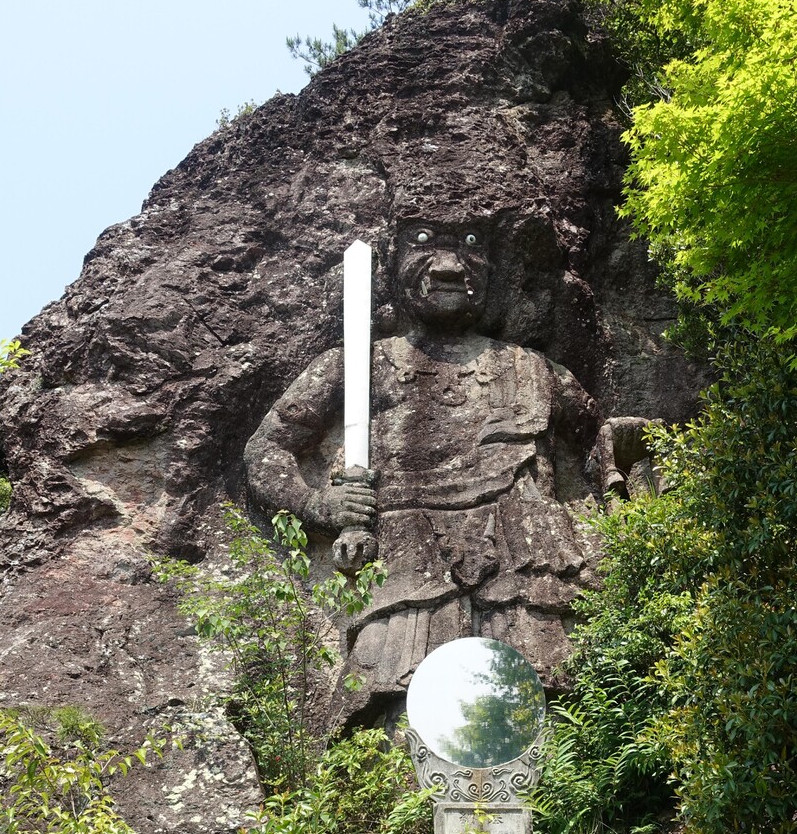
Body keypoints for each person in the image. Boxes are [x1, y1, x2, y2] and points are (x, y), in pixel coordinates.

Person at [244, 216, 638, 710]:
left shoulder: (535, 370)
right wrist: (322, 506)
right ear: (392, 268)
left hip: (527, 554)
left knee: (555, 706)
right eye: (423, 245)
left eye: (471, 246)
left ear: (494, 273)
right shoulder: (360, 364)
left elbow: (602, 454)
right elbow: (266, 449)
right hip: (405, 559)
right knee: (393, 716)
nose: (450, 266)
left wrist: (632, 466)